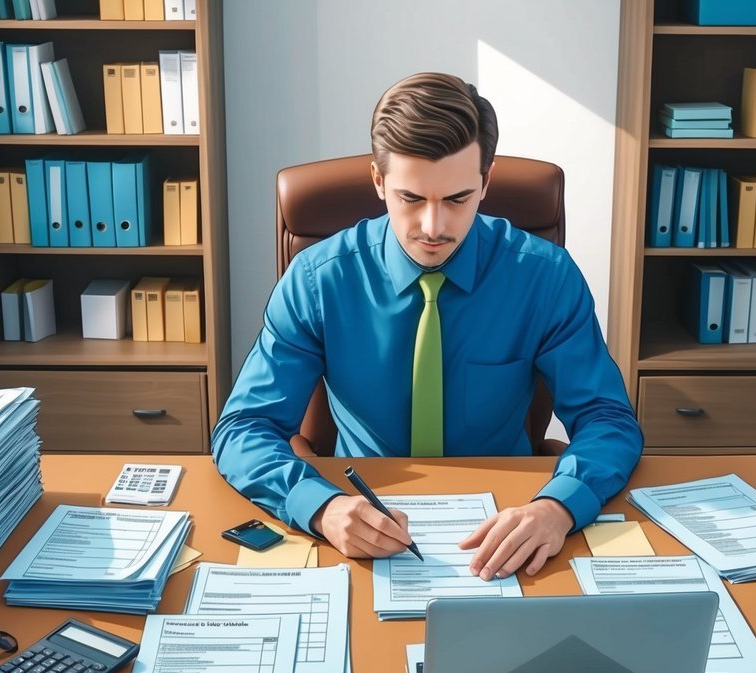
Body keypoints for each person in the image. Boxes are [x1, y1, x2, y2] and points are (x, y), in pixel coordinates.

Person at [212, 72, 642, 579]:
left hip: (509, 522)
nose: (434, 228)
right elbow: (243, 429)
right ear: (378, 181)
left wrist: (559, 507)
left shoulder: (545, 278)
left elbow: (608, 420)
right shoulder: (317, 280)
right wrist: (320, 507)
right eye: (411, 198)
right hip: (361, 519)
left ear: (486, 181)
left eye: (457, 199)